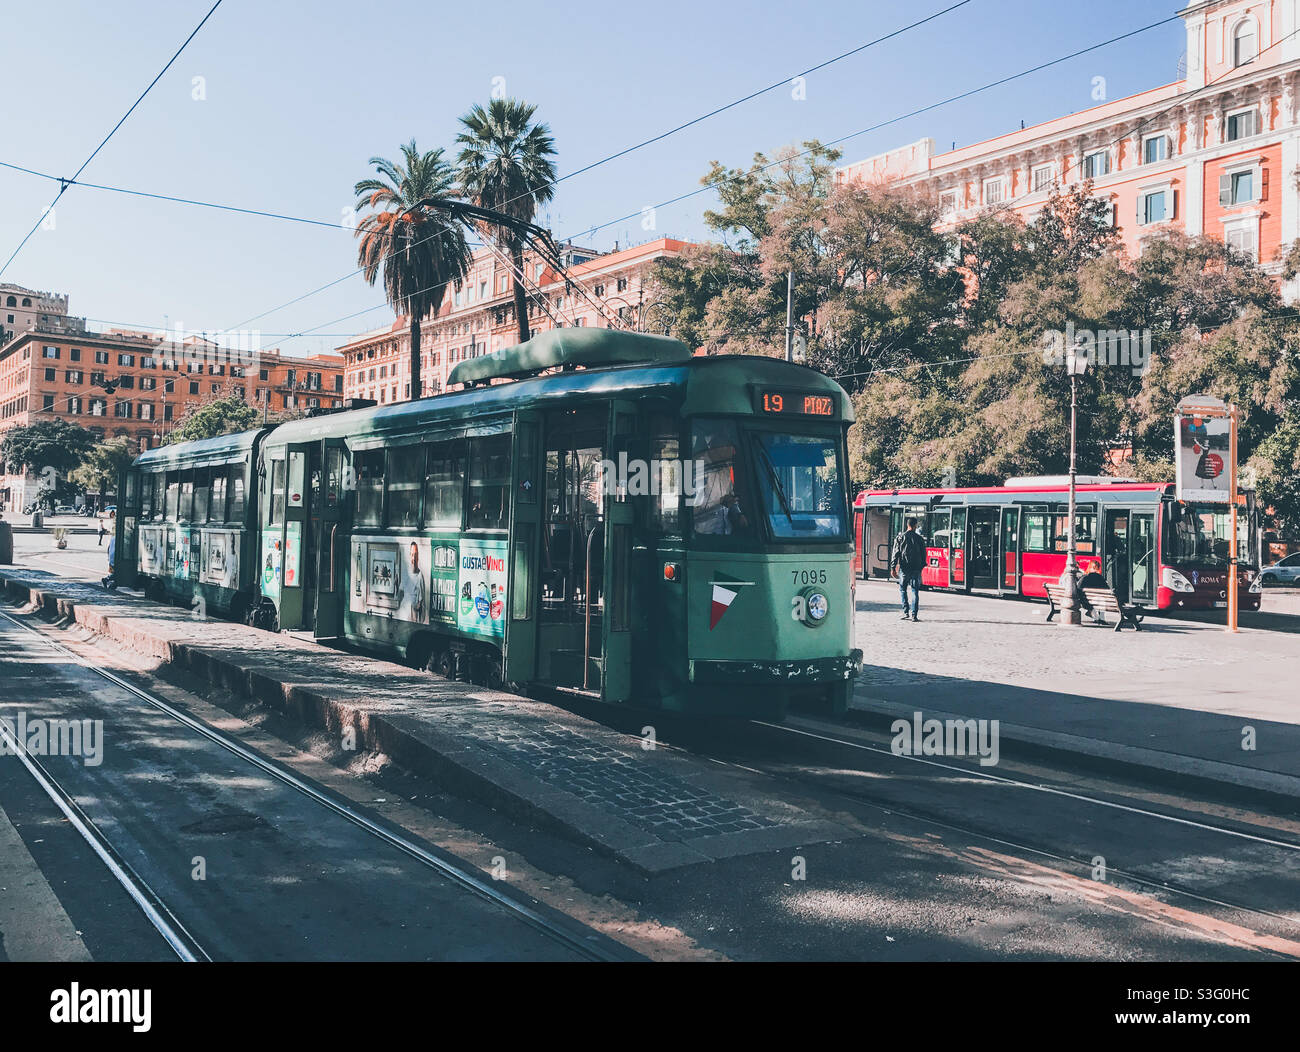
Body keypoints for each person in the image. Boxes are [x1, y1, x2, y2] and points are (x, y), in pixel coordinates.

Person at [891, 517, 926, 622]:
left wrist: (893, 567)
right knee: (915, 591)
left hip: (904, 568)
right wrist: (921, 567)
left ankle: (906, 612)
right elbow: (923, 555)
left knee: (903, 589)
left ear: (907, 525)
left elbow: (895, 553)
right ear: (915, 525)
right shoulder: (919, 538)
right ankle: (914, 615)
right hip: (916, 569)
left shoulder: (900, 537)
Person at [1075, 558, 1109, 623]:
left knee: (1098, 600)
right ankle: (1101, 619)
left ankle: (1095, 617)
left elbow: (1078, 588)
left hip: (1086, 603)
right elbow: (1107, 589)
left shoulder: (1084, 577)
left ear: (1089, 567)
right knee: (1101, 600)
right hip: (1098, 601)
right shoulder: (1100, 578)